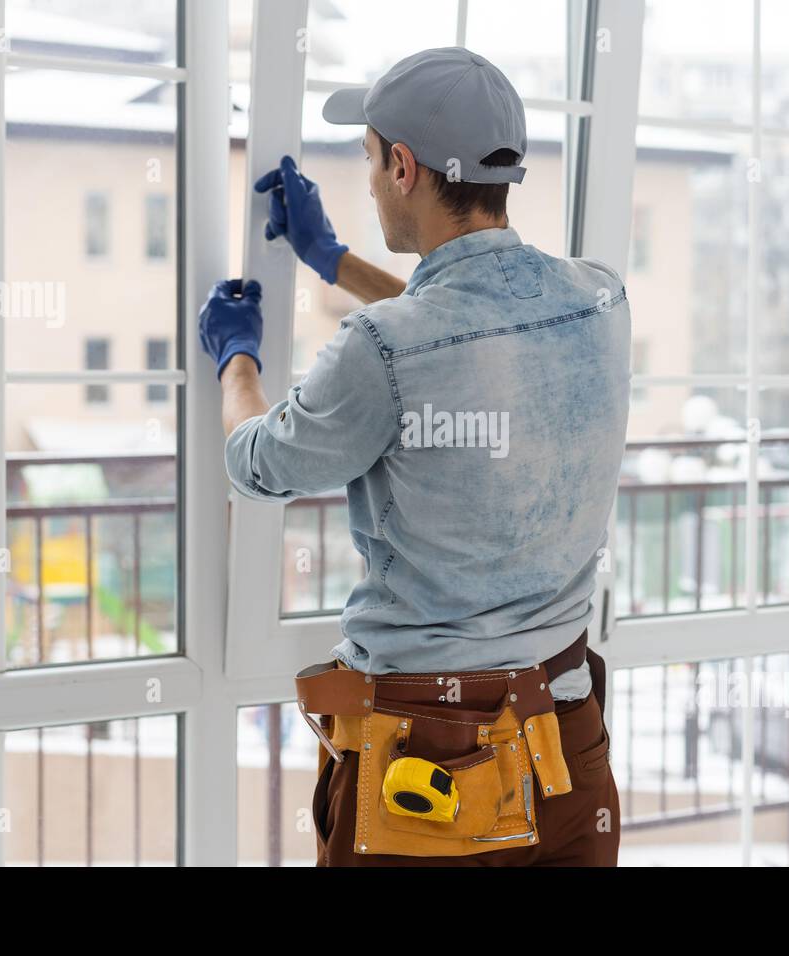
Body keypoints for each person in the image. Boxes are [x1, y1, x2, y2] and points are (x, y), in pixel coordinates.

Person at [197, 47, 631, 866]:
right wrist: (331, 263)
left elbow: (257, 461)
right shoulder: (600, 298)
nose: (365, 180)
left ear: (402, 166)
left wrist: (236, 360)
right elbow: (475, 336)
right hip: (567, 748)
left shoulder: (381, 348)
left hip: (428, 774)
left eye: (367, 157)